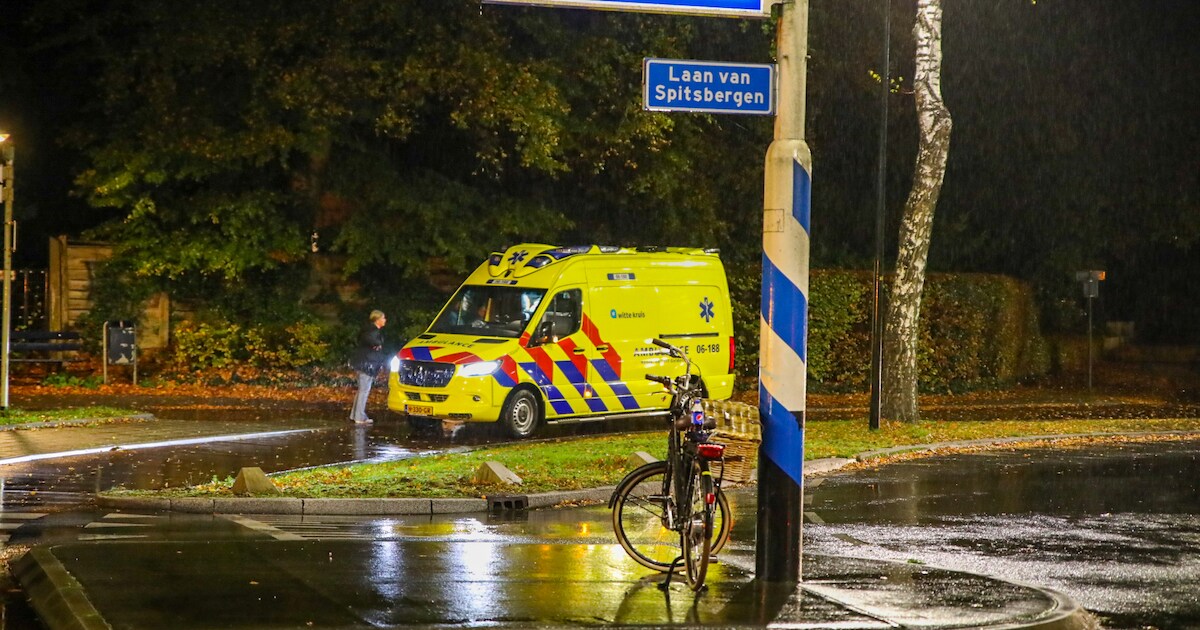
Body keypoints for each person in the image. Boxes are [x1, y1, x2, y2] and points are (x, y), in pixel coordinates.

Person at [349, 309, 387, 424]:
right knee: (364, 390)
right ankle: (359, 417)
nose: (385, 320)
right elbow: (373, 341)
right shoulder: (372, 331)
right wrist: (377, 344)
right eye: (383, 318)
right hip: (367, 363)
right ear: (377, 319)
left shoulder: (368, 330)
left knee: (362, 390)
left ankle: (355, 414)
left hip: (364, 362)